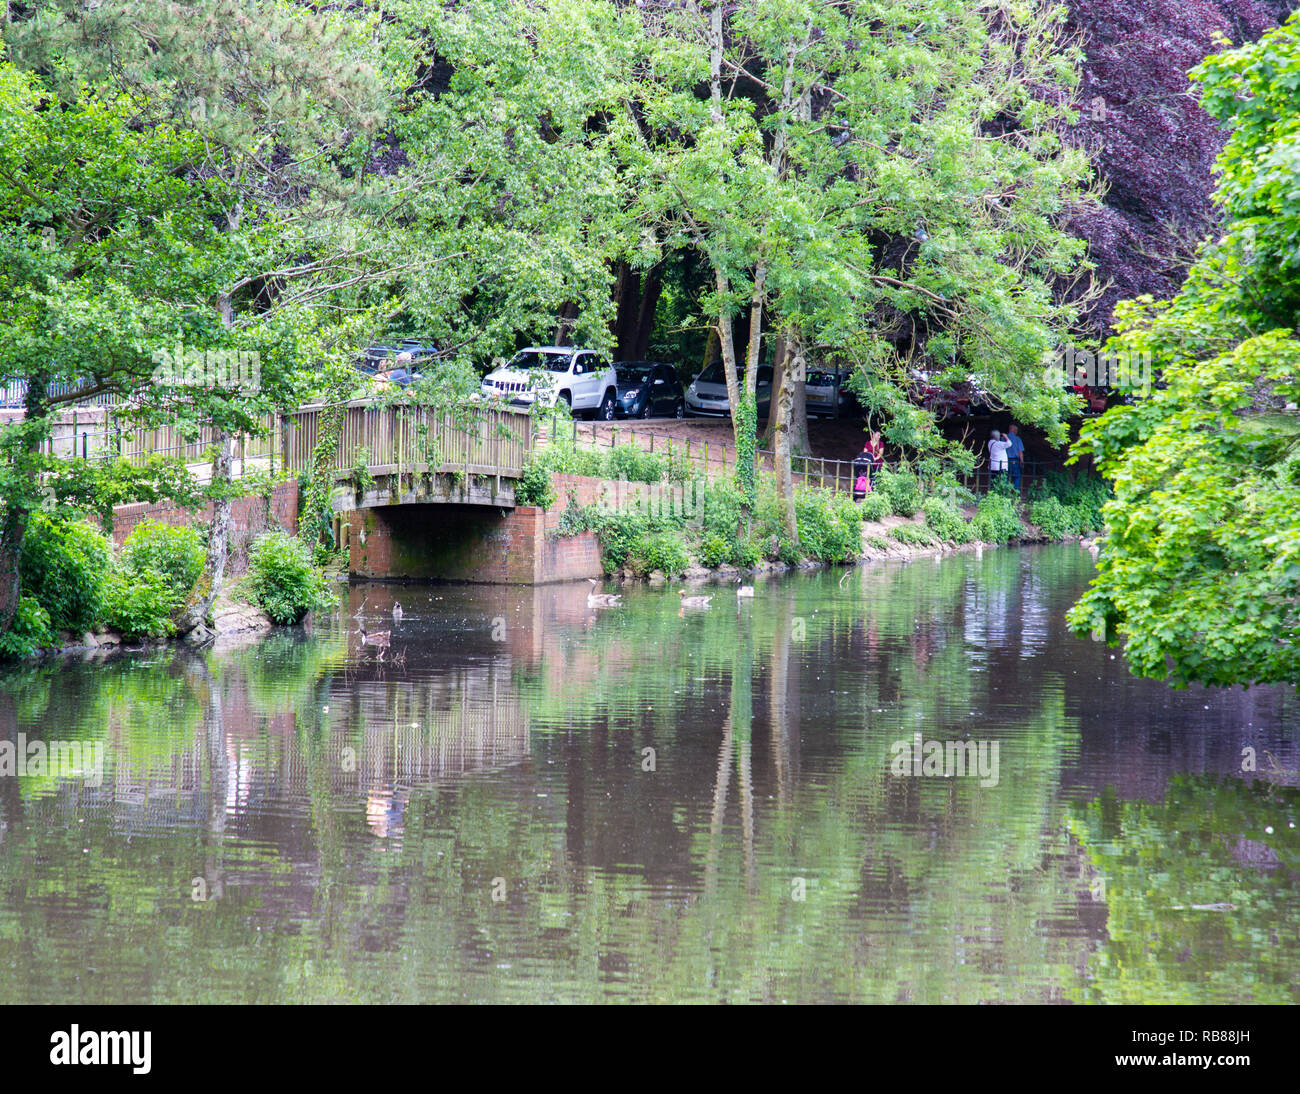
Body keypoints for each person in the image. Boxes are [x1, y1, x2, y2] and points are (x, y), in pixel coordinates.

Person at [1006, 424, 1025, 490]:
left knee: (1006, 476)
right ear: (1013, 430)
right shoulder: (1018, 439)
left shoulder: (1003, 438)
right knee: (1016, 477)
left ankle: (1005, 492)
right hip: (1015, 460)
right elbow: (1020, 451)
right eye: (1016, 430)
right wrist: (1022, 461)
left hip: (1006, 460)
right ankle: (1015, 493)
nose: (1017, 431)